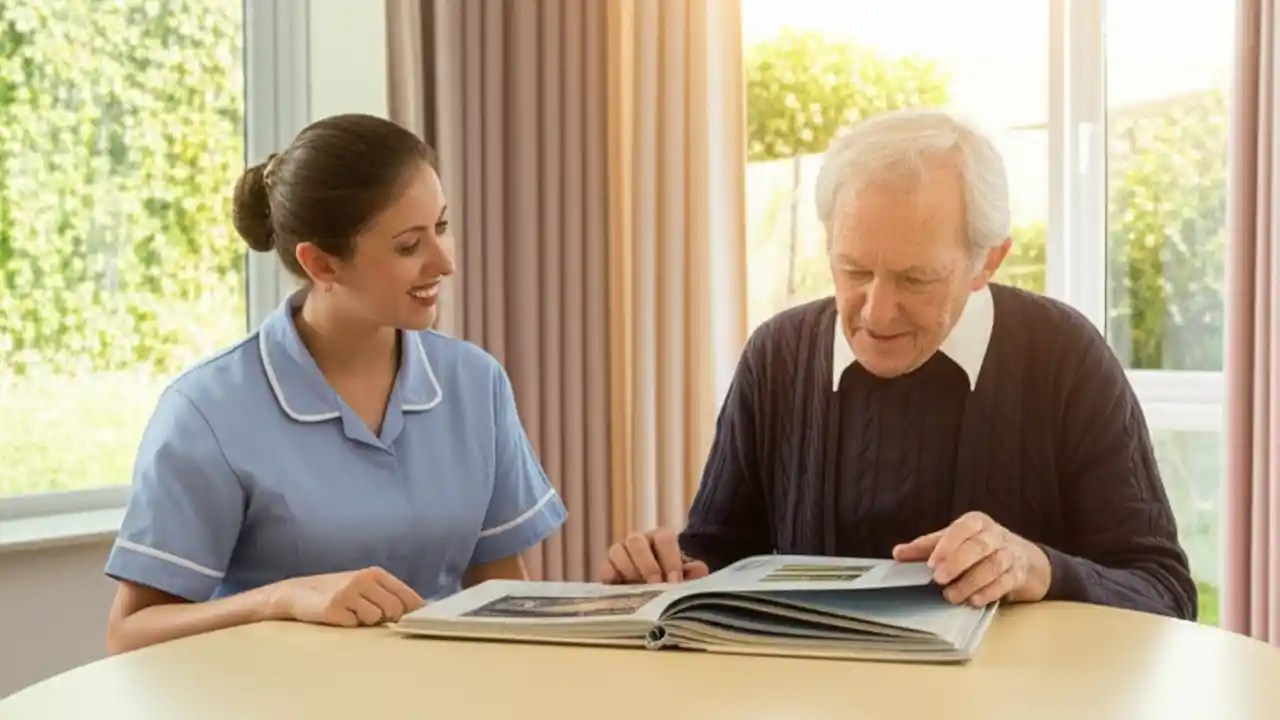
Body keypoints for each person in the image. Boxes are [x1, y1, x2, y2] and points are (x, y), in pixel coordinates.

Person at [600, 109, 1197, 620]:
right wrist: (668, 576)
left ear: (987, 260)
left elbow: (1165, 592)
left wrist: (1040, 568)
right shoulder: (777, 355)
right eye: (854, 271)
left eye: (916, 278)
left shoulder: (1064, 355)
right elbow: (719, 558)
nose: (877, 312)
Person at [104, 114, 566, 653]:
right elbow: (130, 634)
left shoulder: (475, 384)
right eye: (408, 245)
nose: (444, 263)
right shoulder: (208, 412)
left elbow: (500, 593)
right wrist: (282, 600)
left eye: (441, 227)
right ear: (322, 263)